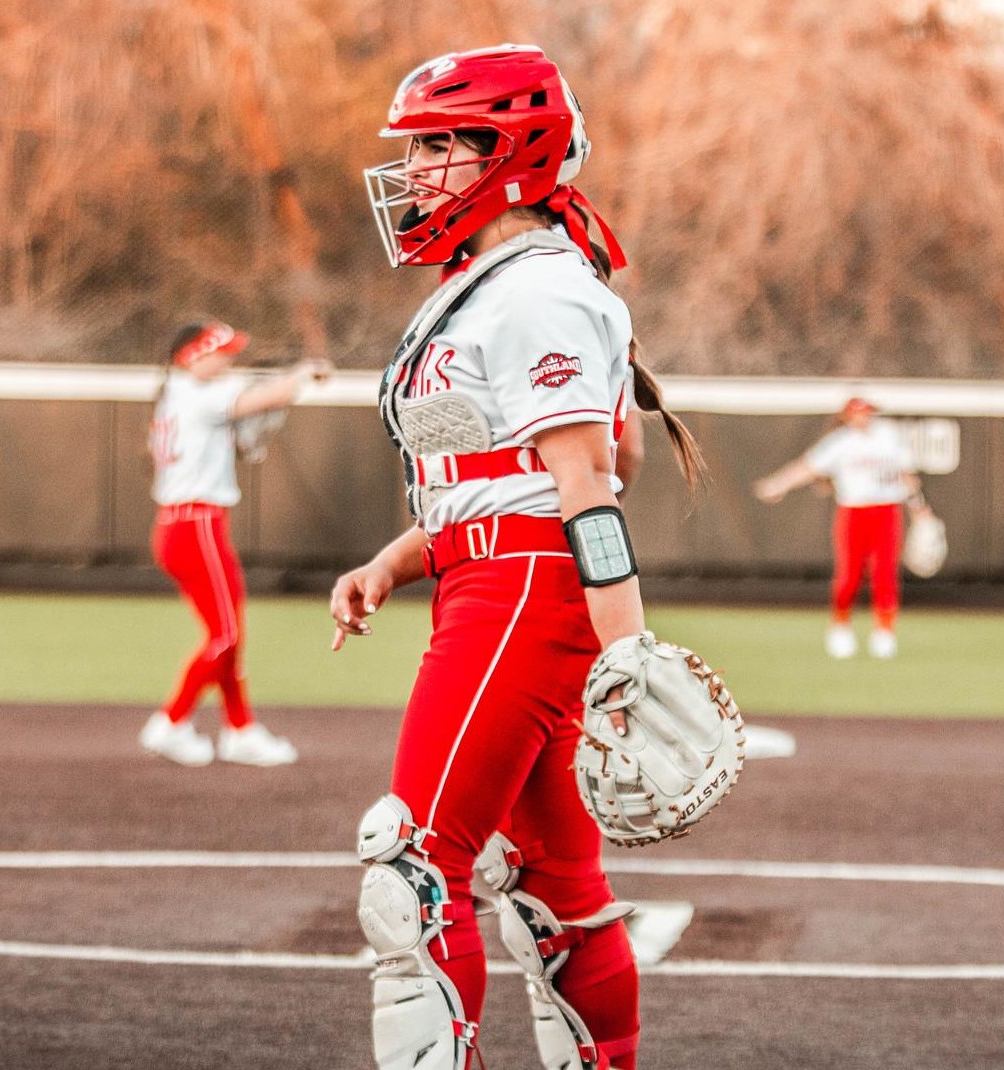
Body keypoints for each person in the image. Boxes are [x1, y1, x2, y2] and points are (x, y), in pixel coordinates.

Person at [330, 45, 702, 1070]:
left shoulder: (536, 289)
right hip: (489, 576)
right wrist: (397, 561)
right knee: (553, 885)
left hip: (525, 587)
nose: (417, 172)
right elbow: (489, 475)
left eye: (441, 146)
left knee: (412, 870)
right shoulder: (486, 284)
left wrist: (626, 654)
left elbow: (584, 479)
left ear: (510, 152)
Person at [139, 320, 330, 767]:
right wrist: (304, 372)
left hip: (180, 526)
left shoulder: (175, 395)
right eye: (219, 352)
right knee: (225, 635)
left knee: (227, 634)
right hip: (196, 526)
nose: (229, 359)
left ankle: (240, 728)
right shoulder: (198, 395)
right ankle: (171, 721)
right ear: (192, 356)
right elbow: (272, 396)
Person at [754, 395, 925, 660]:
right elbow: (808, 467)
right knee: (850, 575)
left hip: (887, 510)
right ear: (847, 415)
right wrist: (779, 484)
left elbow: (906, 475)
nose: (862, 416)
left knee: (885, 574)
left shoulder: (889, 436)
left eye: (866, 411)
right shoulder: (841, 441)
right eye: (856, 412)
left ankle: (884, 633)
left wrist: (919, 507)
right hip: (853, 511)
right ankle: (840, 628)